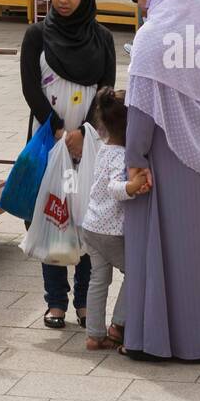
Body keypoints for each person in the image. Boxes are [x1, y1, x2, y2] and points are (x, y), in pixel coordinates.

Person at [123, 0, 200, 361]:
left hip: (164, 157)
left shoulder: (153, 34)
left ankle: (155, 340)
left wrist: (134, 159)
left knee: (160, 246)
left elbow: (141, 110)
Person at [20, 0, 116, 329]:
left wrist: (83, 132)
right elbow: (31, 89)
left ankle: (85, 302)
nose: (62, 0)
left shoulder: (103, 39)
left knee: (87, 216)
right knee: (52, 212)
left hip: (89, 140)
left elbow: (106, 91)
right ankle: (55, 302)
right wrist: (60, 130)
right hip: (48, 138)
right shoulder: (36, 35)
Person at [82, 87, 151, 351]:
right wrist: (132, 187)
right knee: (136, 272)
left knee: (99, 279)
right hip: (111, 230)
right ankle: (118, 325)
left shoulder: (103, 149)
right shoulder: (122, 156)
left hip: (91, 226)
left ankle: (93, 335)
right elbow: (114, 187)